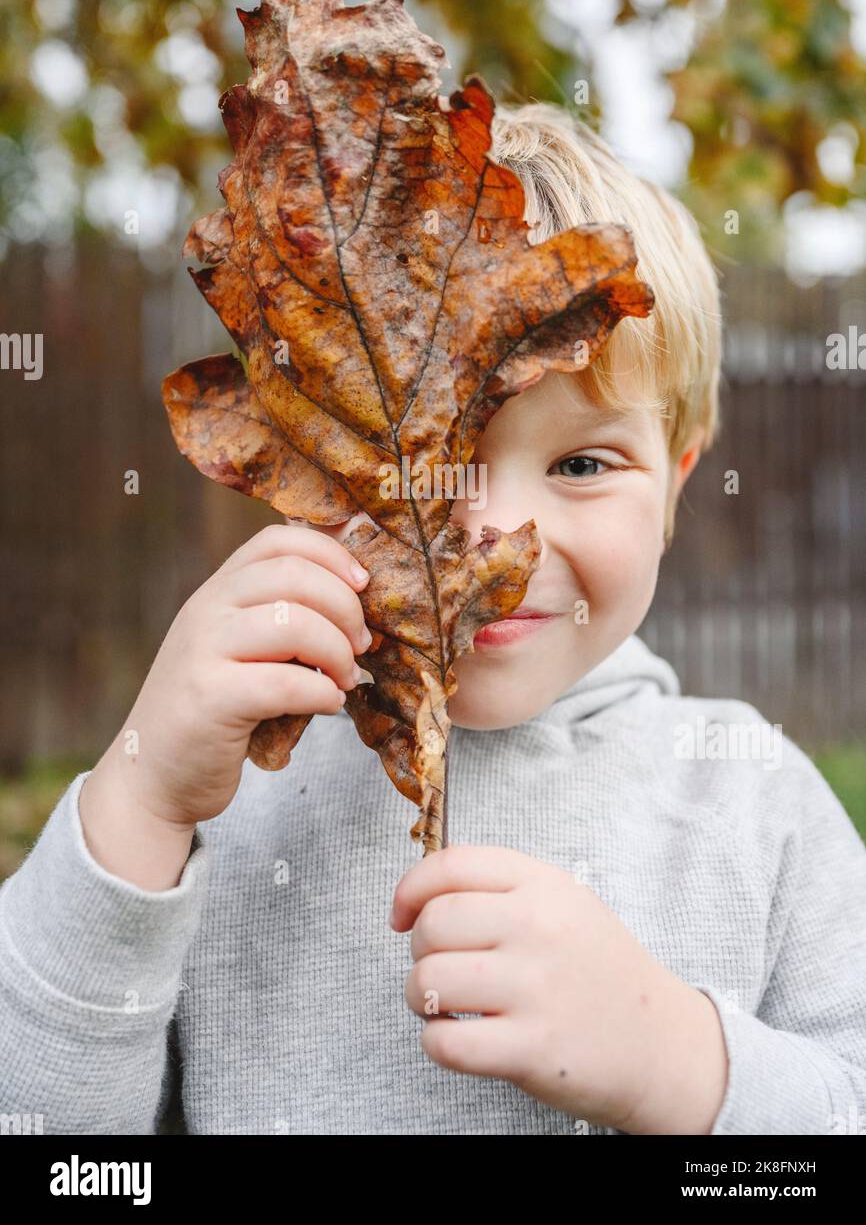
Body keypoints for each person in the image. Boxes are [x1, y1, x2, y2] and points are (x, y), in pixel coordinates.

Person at [2, 103, 865, 1136]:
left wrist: (676, 1061)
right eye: (424, 469)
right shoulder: (224, 805)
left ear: (674, 484)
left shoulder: (755, 804)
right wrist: (139, 805)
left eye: (581, 464)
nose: (493, 534)